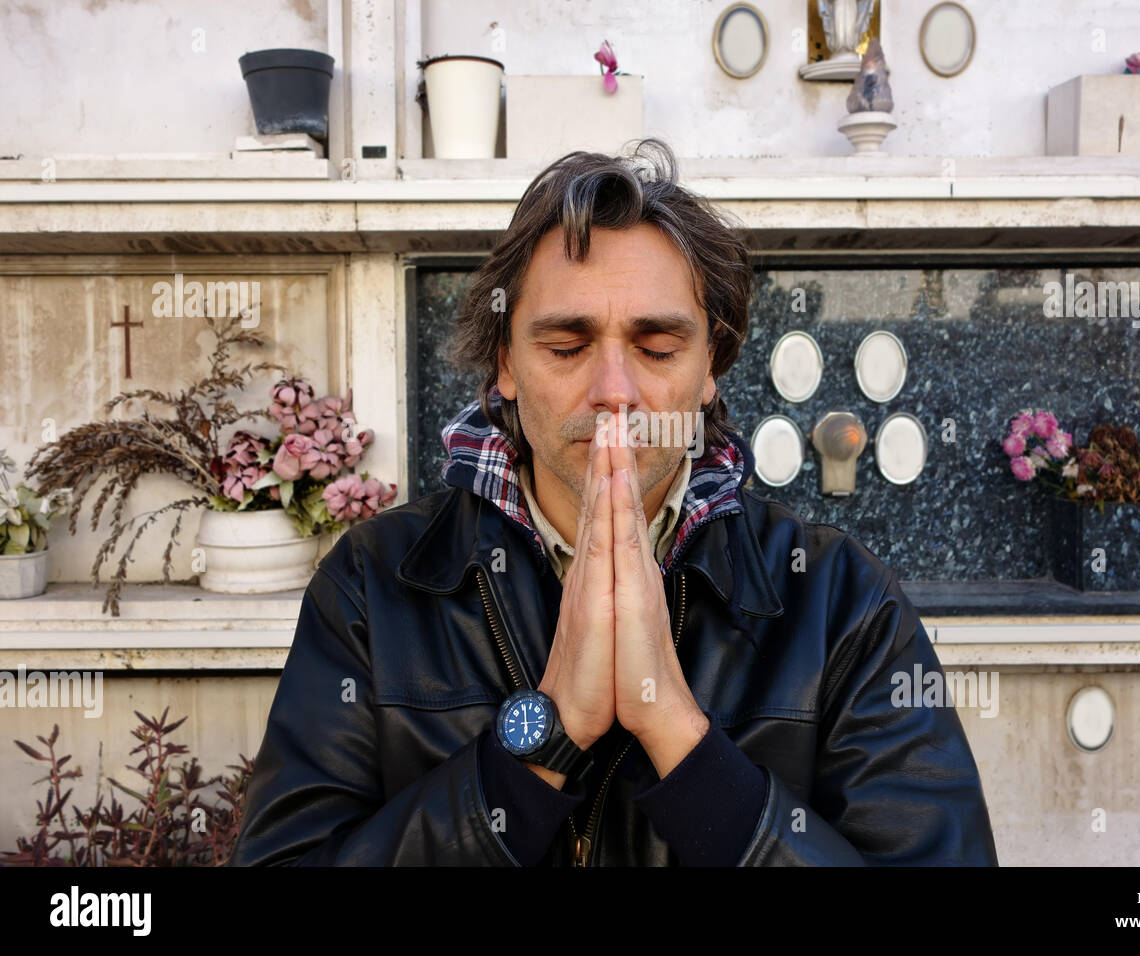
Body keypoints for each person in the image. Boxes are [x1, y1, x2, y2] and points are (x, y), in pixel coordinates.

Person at [230, 138, 998, 867]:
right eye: (566, 347)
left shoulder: (836, 601)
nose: (614, 394)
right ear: (505, 363)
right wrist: (543, 737)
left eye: (658, 349)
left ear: (709, 369)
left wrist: (677, 732)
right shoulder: (378, 582)